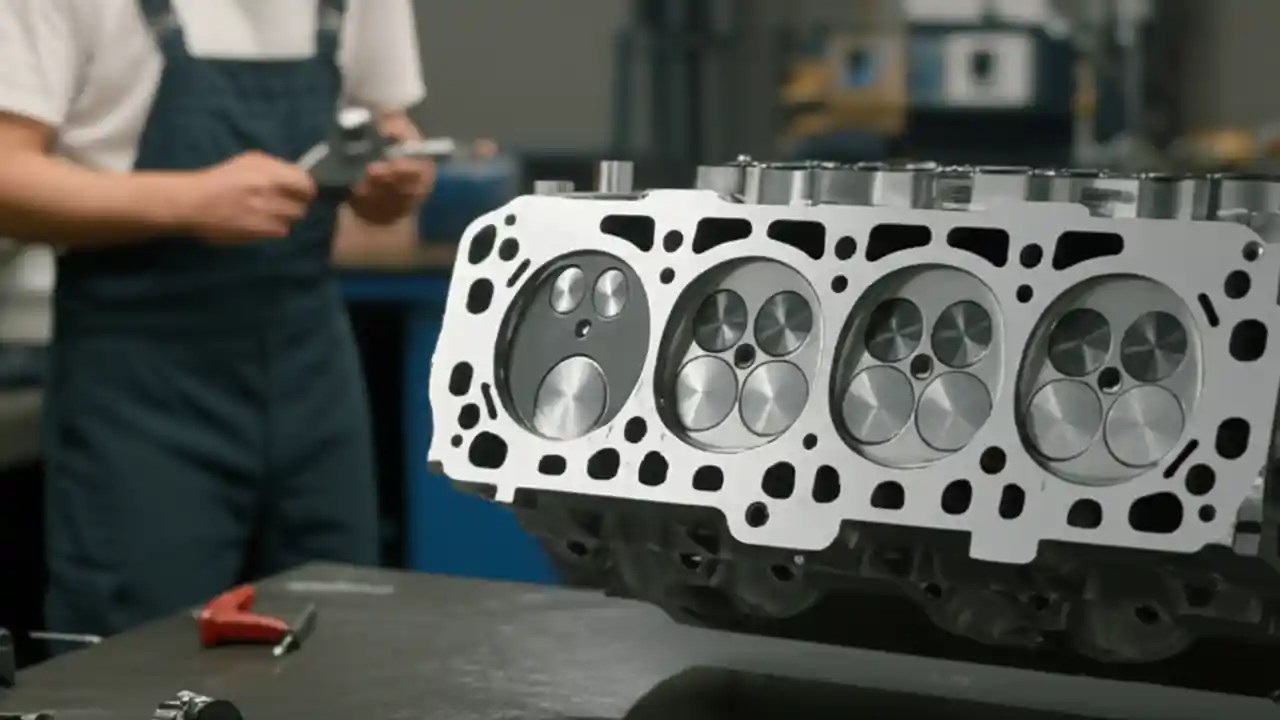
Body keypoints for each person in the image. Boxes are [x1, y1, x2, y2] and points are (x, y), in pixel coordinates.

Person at [0, 0, 434, 635]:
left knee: (343, 636)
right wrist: (189, 200)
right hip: (141, 370)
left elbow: (386, 118)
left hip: (311, 356)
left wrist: (399, 170)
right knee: (142, 661)